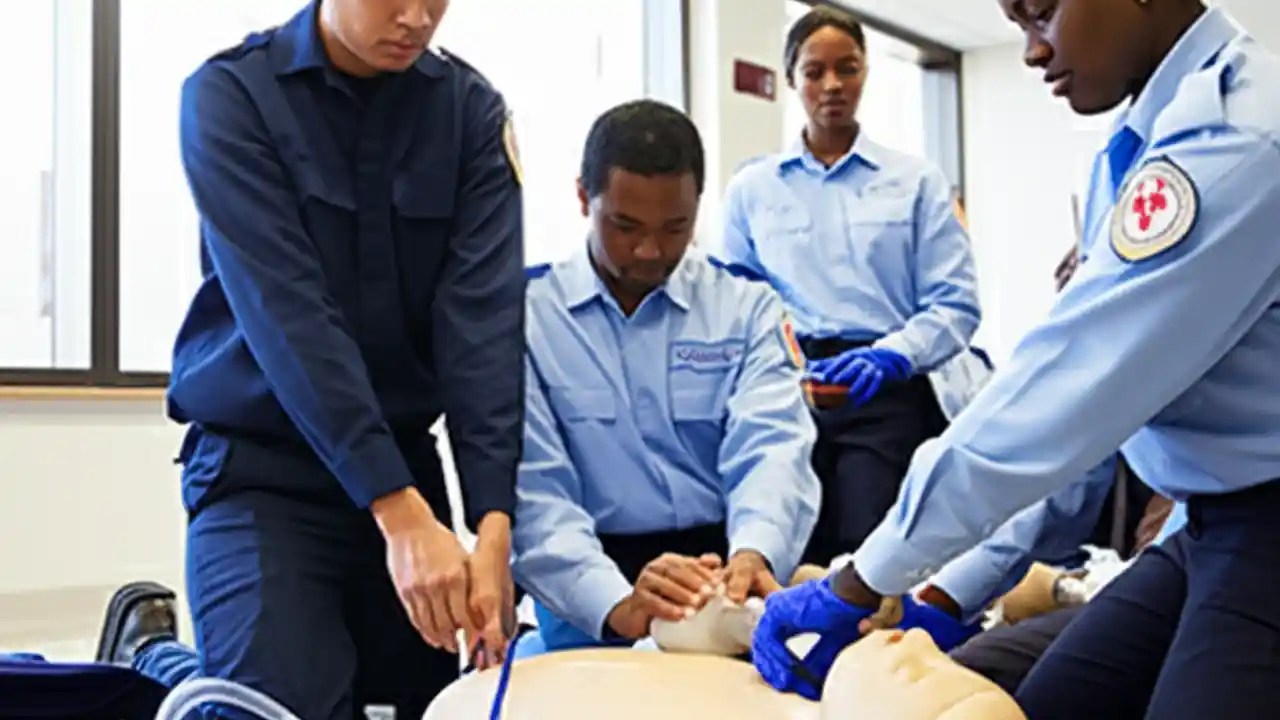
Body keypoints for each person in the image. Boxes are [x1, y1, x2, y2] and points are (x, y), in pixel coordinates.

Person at [752, 2, 1280, 717]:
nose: (1033, 50)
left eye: (1041, 12)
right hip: (1213, 521)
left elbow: (1064, 389)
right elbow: (1093, 416)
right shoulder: (1146, 140)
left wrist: (862, 578)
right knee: (1054, 699)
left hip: (1262, 517)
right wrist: (946, 588)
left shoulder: (1234, 141)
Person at [95, 1, 525, 718]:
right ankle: (151, 656)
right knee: (279, 708)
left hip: (407, 470)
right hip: (263, 472)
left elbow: (481, 327)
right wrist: (400, 516)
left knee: (414, 707)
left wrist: (491, 529)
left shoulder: (471, 114)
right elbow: (290, 318)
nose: (419, 18)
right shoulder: (229, 97)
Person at [511, 99, 821, 654]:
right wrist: (618, 605)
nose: (650, 251)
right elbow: (535, 492)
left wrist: (755, 554)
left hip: (721, 569)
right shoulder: (527, 315)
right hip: (588, 581)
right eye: (624, 227)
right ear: (584, 197)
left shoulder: (746, 306)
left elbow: (773, 447)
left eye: (675, 227)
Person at [708, 6, 980, 566]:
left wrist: (890, 359)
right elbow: (735, 302)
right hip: (789, 383)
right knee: (779, 548)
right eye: (814, 72)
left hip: (884, 386)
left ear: (866, 73)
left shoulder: (914, 182)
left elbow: (956, 304)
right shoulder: (753, 189)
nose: (832, 85)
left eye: (847, 68)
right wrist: (776, 365)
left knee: (865, 554)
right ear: (790, 81)